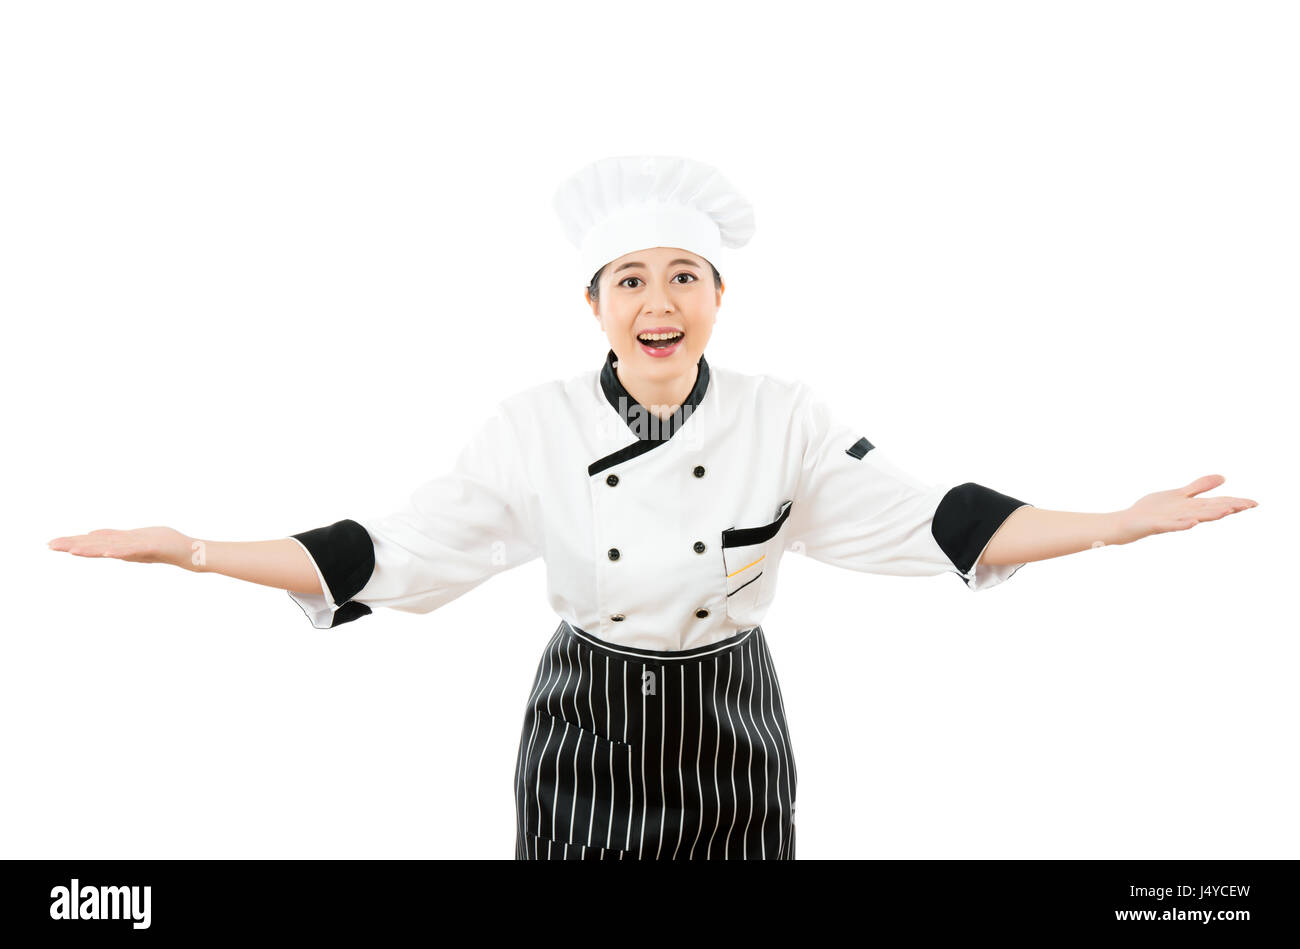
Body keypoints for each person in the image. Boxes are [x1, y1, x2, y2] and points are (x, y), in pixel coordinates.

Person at [48, 155, 1258, 860]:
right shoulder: (529, 425)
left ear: (716, 298)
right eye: (631, 279)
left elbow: (939, 519)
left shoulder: (784, 416)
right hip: (583, 719)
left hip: (731, 714)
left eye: (683, 276)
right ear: (597, 306)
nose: (657, 298)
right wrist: (195, 552)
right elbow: (386, 552)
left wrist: (1107, 523)